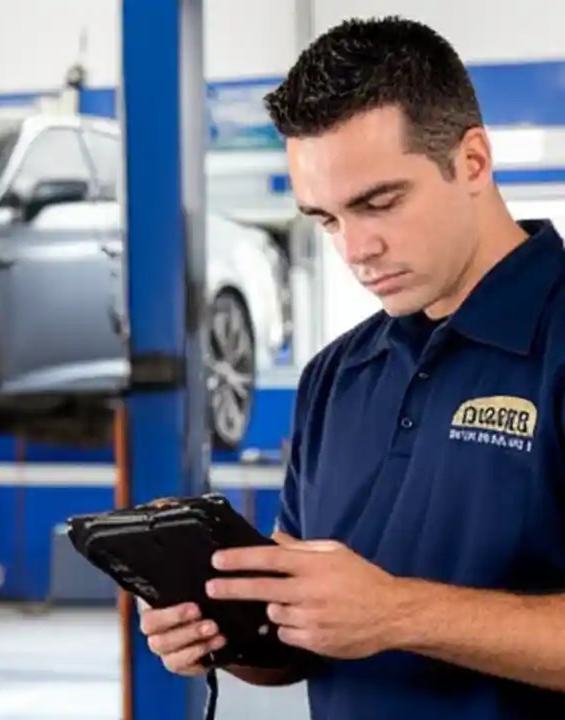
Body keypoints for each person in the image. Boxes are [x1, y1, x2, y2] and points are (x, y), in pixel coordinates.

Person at [139, 15, 565, 720]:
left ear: (473, 162)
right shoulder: (337, 376)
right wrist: (228, 631)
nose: (356, 248)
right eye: (327, 219)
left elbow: (378, 616)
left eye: (379, 203)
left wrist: (399, 613)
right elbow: (301, 646)